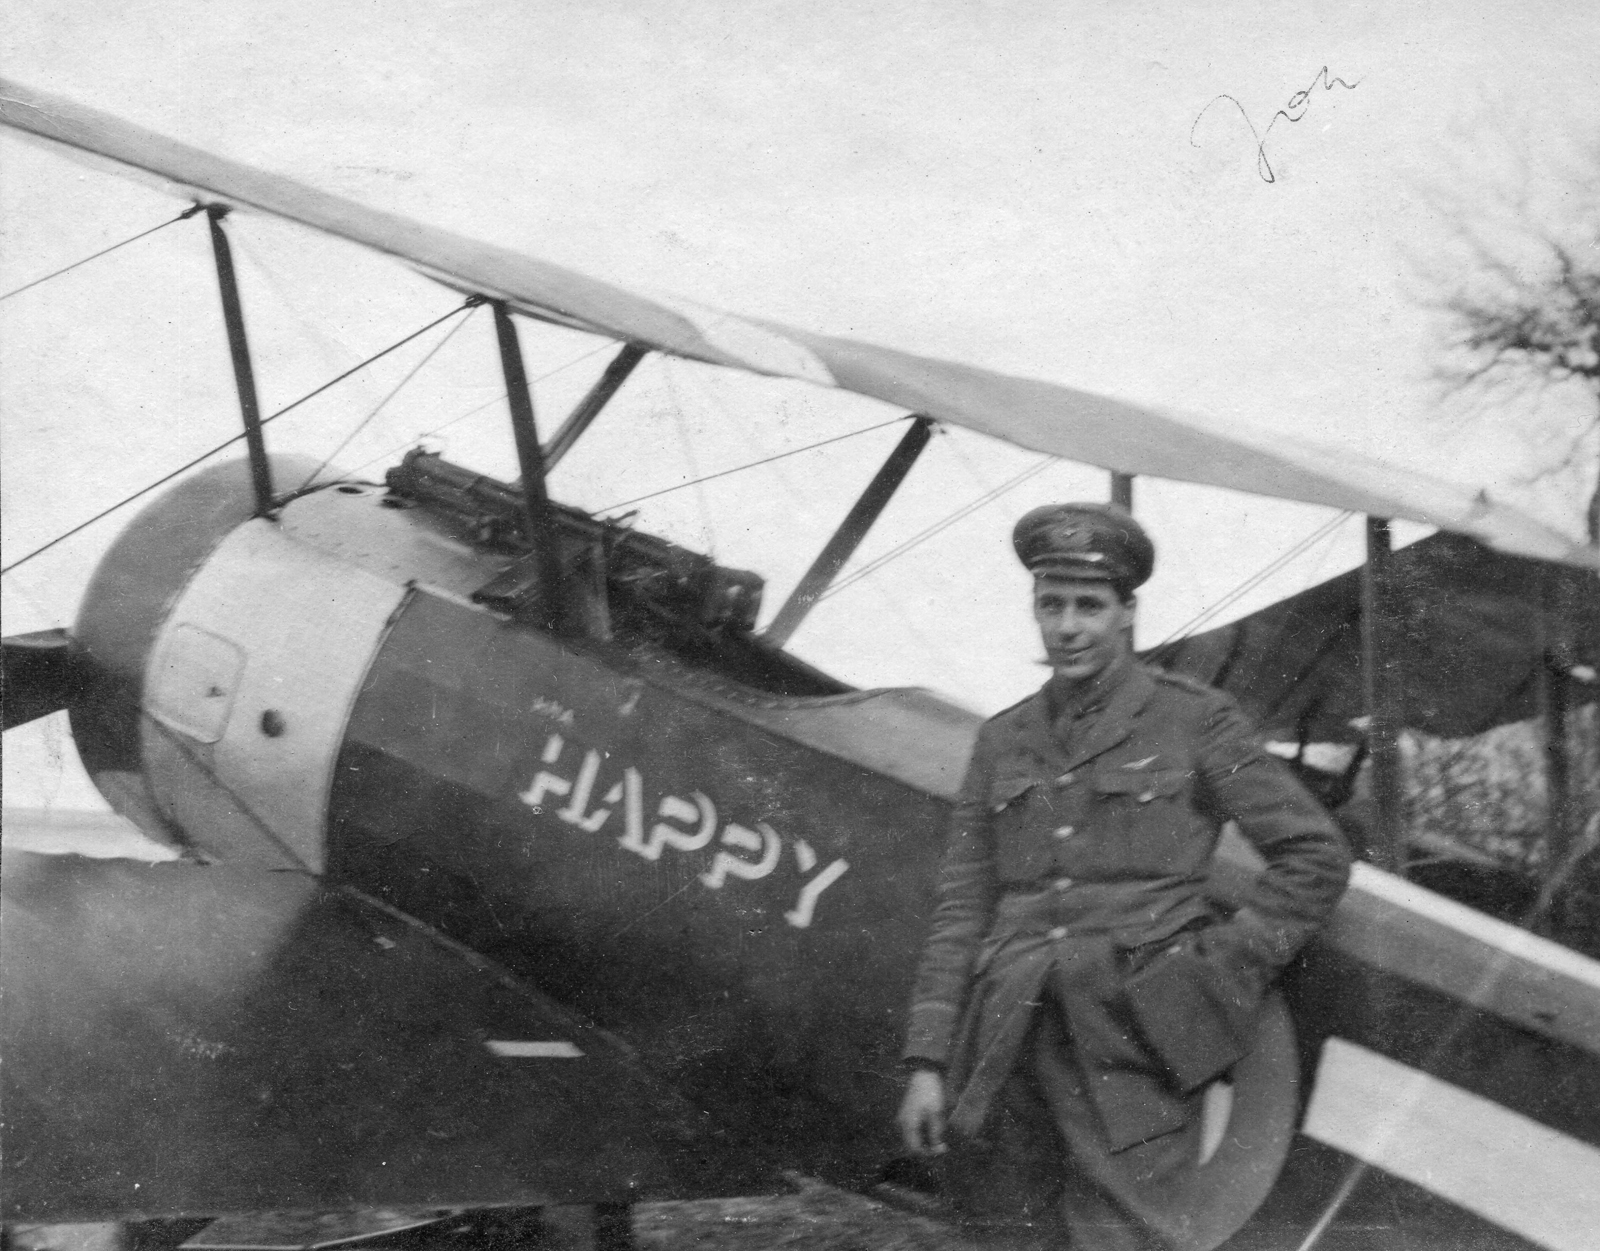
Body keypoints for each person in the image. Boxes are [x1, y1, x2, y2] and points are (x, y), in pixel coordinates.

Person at [897, 503, 1352, 1250]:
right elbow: (962, 907)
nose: (1068, 626)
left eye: (1089, 606)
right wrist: (926, 1061)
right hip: (1005, 1038)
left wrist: (1212, 976)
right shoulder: (1002, 738)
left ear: (1128, 613)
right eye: (1052, 605)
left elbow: (1314, 854)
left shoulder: (1196, 720)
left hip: (1130, 1041)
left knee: (1122, 1238)